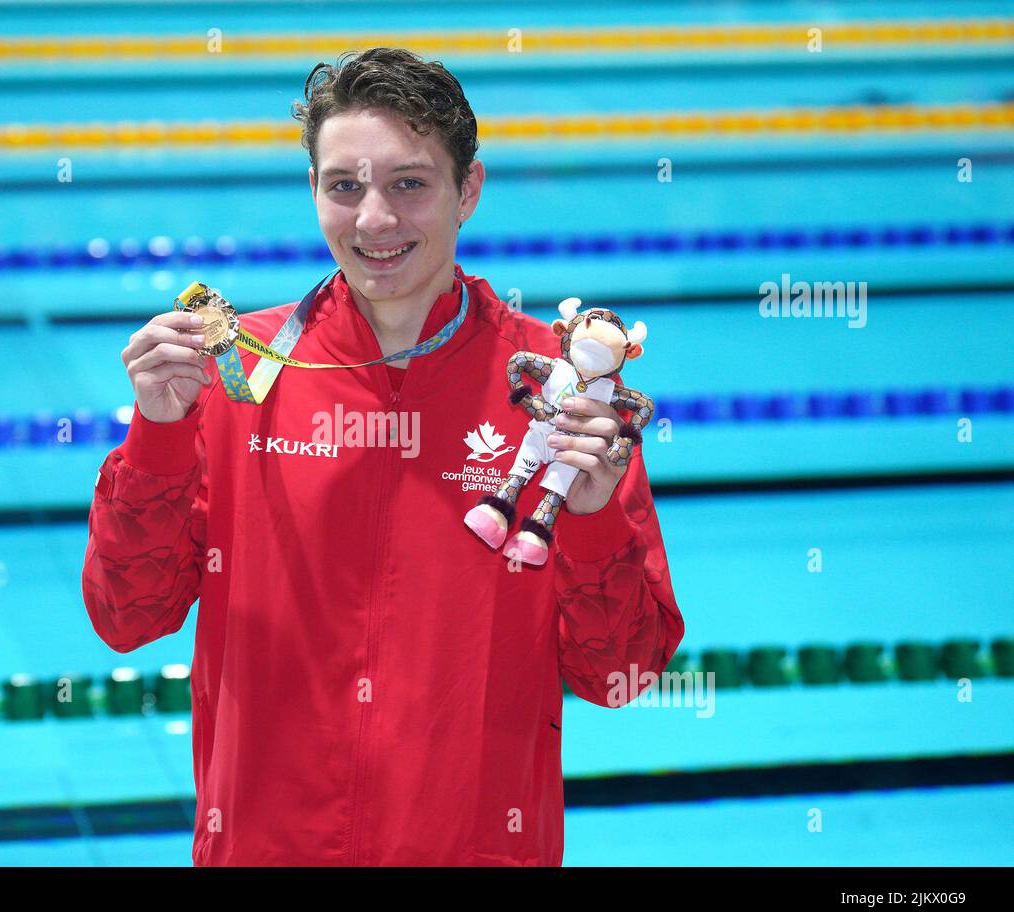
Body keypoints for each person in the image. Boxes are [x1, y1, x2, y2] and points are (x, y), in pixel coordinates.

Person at [82, 47, 685, 866]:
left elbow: (621, 672)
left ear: (468, 190)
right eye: (344, 186)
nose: (374, 220)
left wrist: (588, 518)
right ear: (313, 191)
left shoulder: (563, 390)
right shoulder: (239, 373)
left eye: (409, 183)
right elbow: (128, 617)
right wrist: (156, 437)